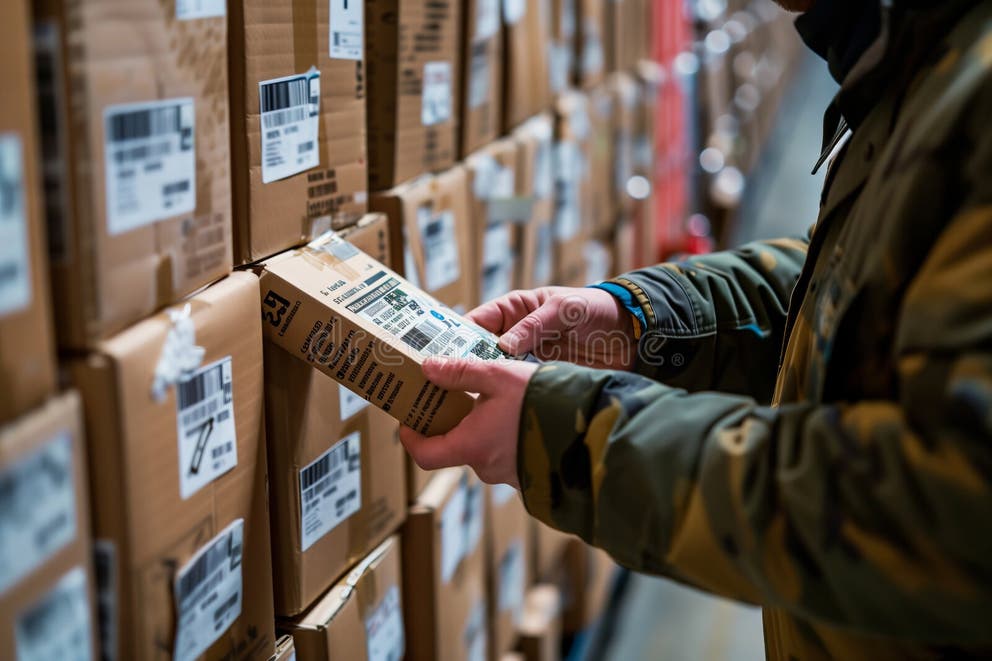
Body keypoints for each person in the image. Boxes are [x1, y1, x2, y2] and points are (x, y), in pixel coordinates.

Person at [400, 0, 992, 657]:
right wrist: (637, 318)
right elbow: (856, 280)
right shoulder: (923, 61)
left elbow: (947, 507)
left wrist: (568, 435)